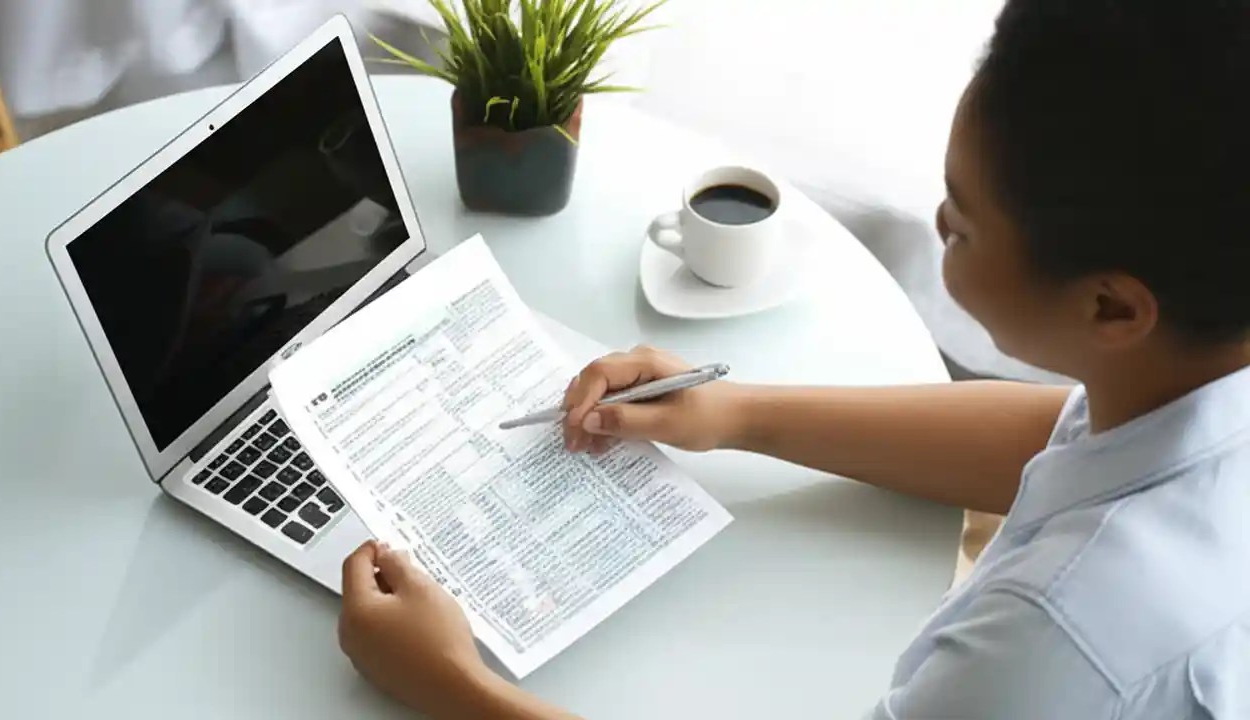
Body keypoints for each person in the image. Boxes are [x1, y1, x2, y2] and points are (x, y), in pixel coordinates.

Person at [334, 0, 1250, 717]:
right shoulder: (1188, 367)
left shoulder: (1057, 647)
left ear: (1112, 305)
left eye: (962, 220)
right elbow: (1062, 437)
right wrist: (742, 415)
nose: (937, 226)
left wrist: (455, 687)